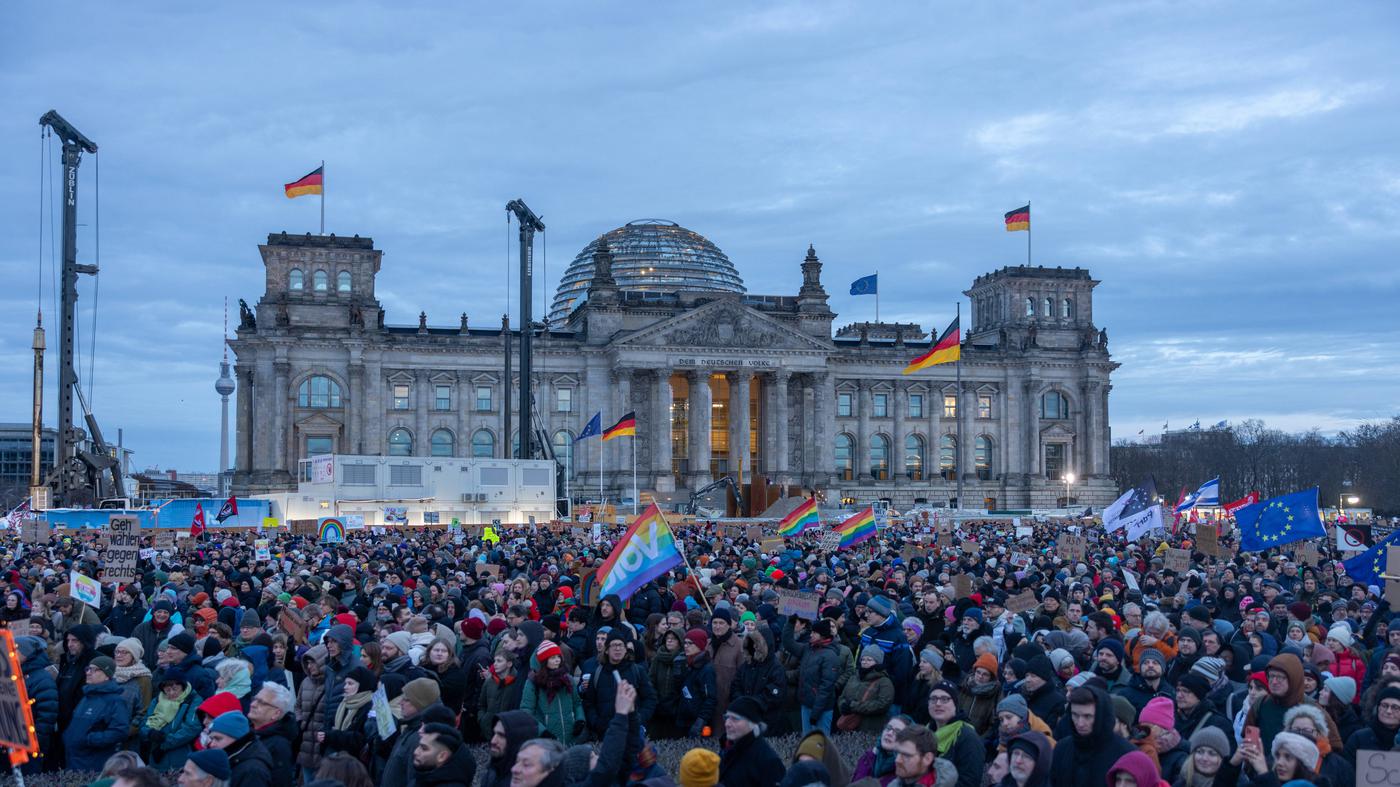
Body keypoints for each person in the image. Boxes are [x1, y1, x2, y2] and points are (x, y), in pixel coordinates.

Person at [1049, 686, 1133, 787]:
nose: (1080, 723)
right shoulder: (1062, 748)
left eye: (1087, 716)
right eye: (1075, 715)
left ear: (1101, 716)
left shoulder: (1126, 754)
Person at [64, 655, 133, 772]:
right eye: (88, 669)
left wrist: (90, 739)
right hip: (73, 761)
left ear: (107, 675)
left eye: (94, 670)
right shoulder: (86, 697)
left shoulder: (115, 701)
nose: (88, 673)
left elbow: (120, 731)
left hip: (94, 763)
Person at [783, 617, 841, 736]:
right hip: (806, 704)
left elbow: (826, 687)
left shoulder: (830, 656)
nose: (811, 635)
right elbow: (788, 643)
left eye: (814, 633)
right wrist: (790, 622)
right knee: (807, 741)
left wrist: (816, 713)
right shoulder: (808, 648)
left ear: (823, 635)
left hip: (821, 709)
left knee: (819, 743)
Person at [139, 669, 205, 771]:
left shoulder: (193, 700)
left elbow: (192, 728)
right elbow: (145, 723)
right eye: (167, 690)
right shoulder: (157, 700)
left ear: (183, 686)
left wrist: (164, 744)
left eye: (175, 689)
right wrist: (150, 733)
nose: (171, 693)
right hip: (155, 756)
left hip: (180, 757)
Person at [522, 640, 585, 744]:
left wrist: (580, 720)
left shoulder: (567, 679)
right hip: (545, 741)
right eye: (552, 658)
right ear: (544, 661)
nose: (557, 660)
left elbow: (577, 703)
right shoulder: (533, 682)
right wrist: (542, 732)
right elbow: (526, 711)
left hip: (570, 738)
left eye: (558, 657)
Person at [926, 680, 984, 787]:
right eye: (933, 699)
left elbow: (969, 782)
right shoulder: (925, 731)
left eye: (944, 699)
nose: (938, 703)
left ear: (955, 704)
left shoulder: (968, 737)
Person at [717, 696, 785, 787]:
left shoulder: (767, 760)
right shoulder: (726, 750)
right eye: (726, 718)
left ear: (752, 723)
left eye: (735, 719)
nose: (727, 724)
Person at [16, 635, 59, 773]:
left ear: (27, 654)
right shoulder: (15, 674)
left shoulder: (42, 679)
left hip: (29, 747)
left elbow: (46, 717)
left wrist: (34, 744)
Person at [247, 683, 298, 787]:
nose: (253, 704)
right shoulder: (251, 732)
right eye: (255, 699)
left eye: (261, 702)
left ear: (276, 713)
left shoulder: (279, 745)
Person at [206, 711, 273, 787]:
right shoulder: (232, 757)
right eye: (211, 739)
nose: (212, 744)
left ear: (237, 737)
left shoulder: (253, 771)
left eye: (218, 739)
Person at [840, 647, 896, 733]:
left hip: (870, 728)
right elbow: (842, 696)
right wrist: (842, 706)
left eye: (869, 660)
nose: (865, 662)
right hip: (849, 725)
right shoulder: (854, 677)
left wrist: (853, 706)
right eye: (863, 659)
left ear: (877, 662)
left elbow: (883, 704)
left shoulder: (884, 682)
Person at [482, 709, 540, 787]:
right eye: (494, 733)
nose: (493, 741)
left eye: (501, 735)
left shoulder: (523, 783)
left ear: (517, 739)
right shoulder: (493, 771)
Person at [852, 715, 912, 786]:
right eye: (888, 728)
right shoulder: (870, 756)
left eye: (897, 732)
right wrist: (870, 757)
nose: (889, 733)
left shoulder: (905, 769)